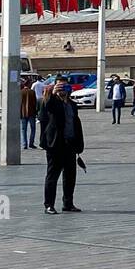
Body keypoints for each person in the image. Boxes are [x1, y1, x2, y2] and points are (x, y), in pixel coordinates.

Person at [39, 84, 84, 213]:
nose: (62, 92)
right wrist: (53, 94)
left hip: (70, 145)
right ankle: (49, 205)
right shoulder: (53, 103)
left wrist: (79, 145)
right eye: (60, 89)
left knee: (70, 176)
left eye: (64, 89)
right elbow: (48, 107)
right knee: (52, 176)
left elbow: (75, 123)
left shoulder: (72, 105)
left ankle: (68, 203)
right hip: (55, 146)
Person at [21, 78, 38, 149]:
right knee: (33, 128)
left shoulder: (20, 92)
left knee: (23, 129)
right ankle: (31, 143)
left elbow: (19, 103)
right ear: (28, 84)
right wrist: (36, 112)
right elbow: (35, 103)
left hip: (23, 113)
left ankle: (25, 144)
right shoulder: (32, 92)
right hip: (31, 113)